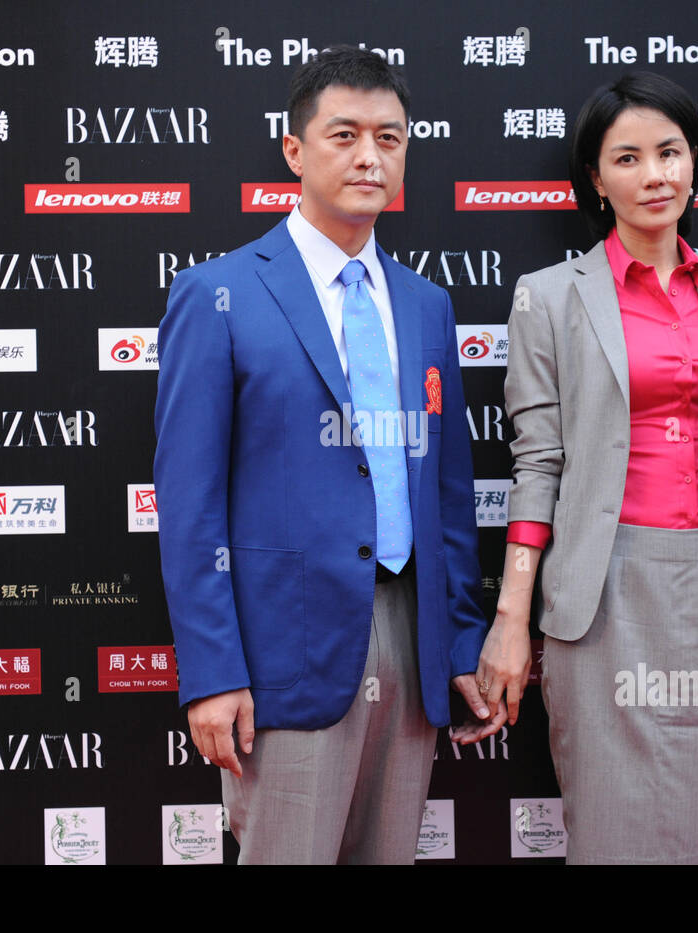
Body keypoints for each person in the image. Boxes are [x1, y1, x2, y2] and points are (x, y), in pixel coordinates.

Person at [152, 45, 491, 865]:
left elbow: (446, 493)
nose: (370, 156)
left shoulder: (424, 304)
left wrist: (459, 642)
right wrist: (210, 672)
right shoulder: (219, 293)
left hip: (410, 641)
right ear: (295, 152)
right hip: (284, 649)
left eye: (391, 136)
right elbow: (189, 506)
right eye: (344, 135)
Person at [468, 71, 698, 863]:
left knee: (688, 833)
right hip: (601, 594)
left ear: (695, 162)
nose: (655, 175)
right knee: (610, 832)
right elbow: (537, 465)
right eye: (629, 158)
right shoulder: (549, 297)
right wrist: (513, 620)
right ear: (596, 178)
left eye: (671, 153)